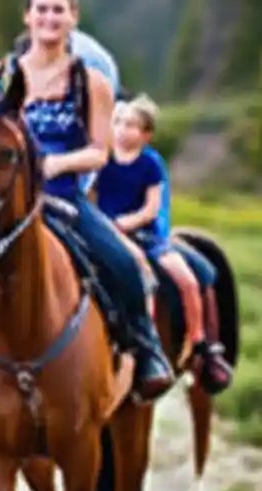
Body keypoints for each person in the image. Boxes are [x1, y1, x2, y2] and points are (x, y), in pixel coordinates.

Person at [0, 0, 175, 402]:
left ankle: (146, 351)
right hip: (4, 206)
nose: (49, 18)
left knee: (123, 264)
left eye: (59, 10)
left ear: (73, 18)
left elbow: (98, 152)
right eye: (42, 9)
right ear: (27, 16)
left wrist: (52, 165)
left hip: (64, 198)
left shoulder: (91, 83)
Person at [96, 94, 233, 393]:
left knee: (186, 279)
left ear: (146, 134)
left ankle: (199, 345)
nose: (122, 130)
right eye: (117, 123)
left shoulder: (150, 165)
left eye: (131, 125)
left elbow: (150, 208)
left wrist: (124, 223)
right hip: (104, 232)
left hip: (144, 235)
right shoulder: (101, 157)